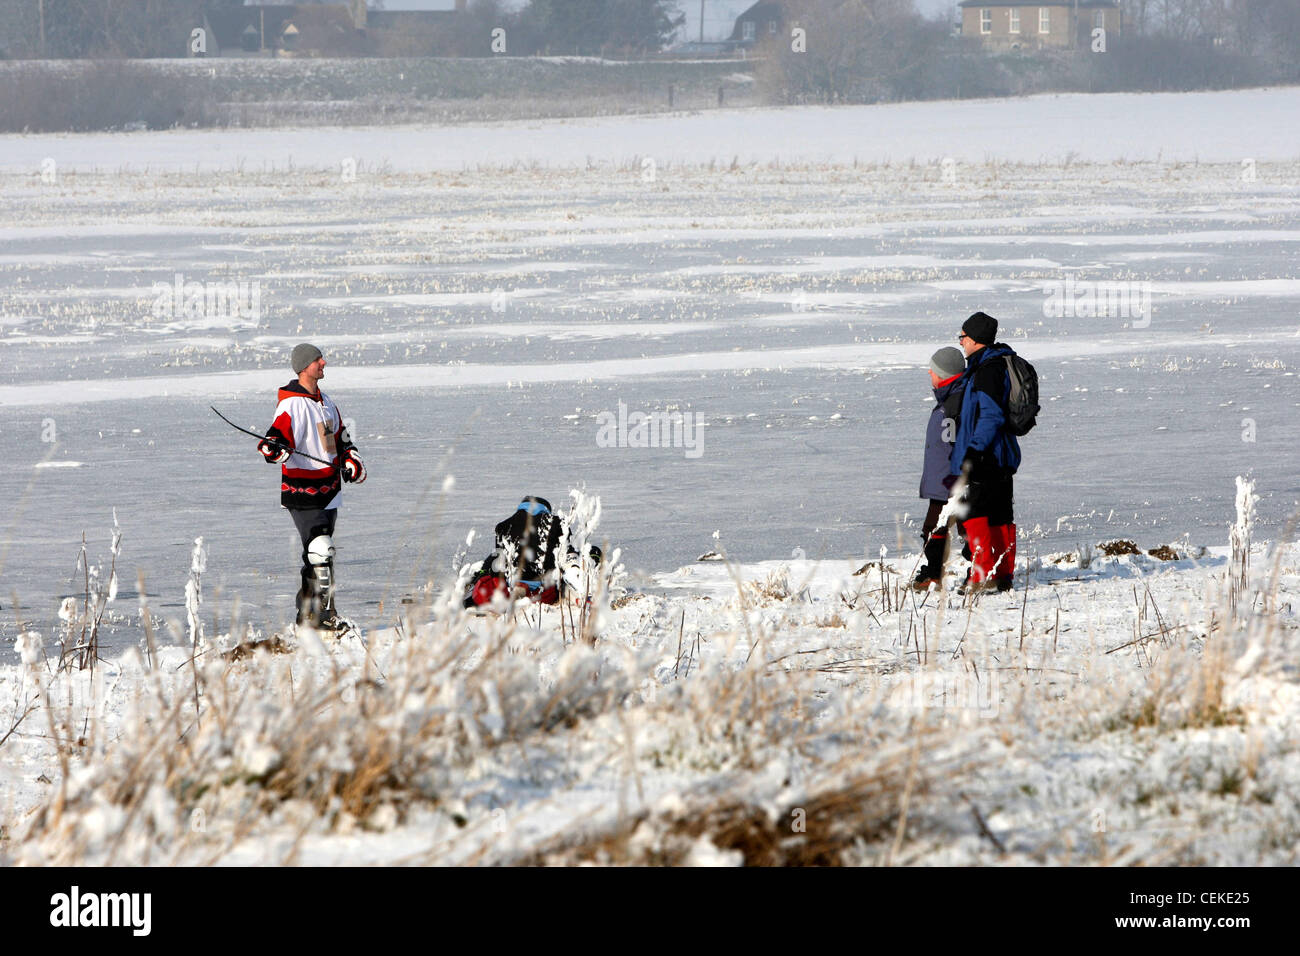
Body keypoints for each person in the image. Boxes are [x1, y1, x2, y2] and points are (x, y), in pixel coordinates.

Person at [257, 343, 367, 630]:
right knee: (321, 549)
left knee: (318, 555)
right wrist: (274, 449)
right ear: (305, 366)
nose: (324, 363)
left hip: (329, 492)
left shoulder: (326, 402)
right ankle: (324, 617)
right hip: (302, 492)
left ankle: (306, 613)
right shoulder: (291, 404)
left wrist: (350, 460)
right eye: (318, 360)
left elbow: (339, 441)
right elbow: (276, 436)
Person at [950, 312, 1021, 593]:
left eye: (963, 337)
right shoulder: (993, 365)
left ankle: (982, 576)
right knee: (1000, 515)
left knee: (976, 515)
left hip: (987, 455)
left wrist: (974, 450)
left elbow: (990, 415)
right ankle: (1003, 574)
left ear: (975, 339)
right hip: (1002, 455)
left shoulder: (987, 370)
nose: (961, 342)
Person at [464, 496, 602, 608]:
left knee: (492, 558)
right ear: (546, 510)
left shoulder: (503, 526)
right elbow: (567, 558)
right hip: (544, 594)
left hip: (509, 590)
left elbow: (497, 568)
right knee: (592, 551)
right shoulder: (557, 524)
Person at [913, 346, 967, 590]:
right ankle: (934, 572)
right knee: (939, 527)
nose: (929, 373)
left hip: (950, 481)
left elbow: (956, 444)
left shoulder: (952, 404)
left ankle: (937, 573)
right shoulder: (950, 398)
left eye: (933, 371)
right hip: (944, 480)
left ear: (945, 375)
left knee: (942, 527)